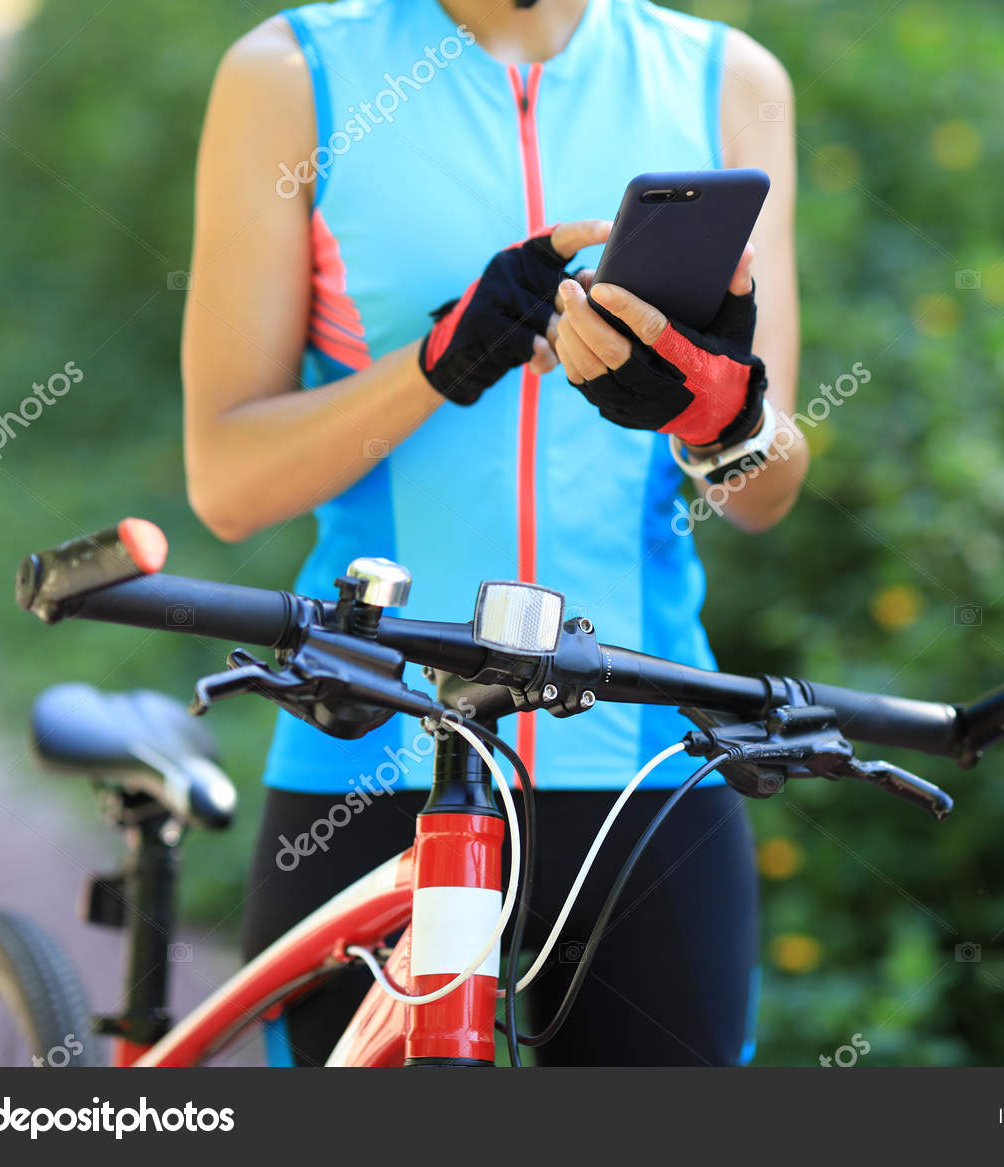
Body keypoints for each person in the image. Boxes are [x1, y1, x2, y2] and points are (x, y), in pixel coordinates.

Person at [181, 0, 805, 1066]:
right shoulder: (292, 74)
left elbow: (765, 487)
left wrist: (717, 414)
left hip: (645, 761)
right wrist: (437, 366)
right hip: (369, 747)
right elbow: (226, 482)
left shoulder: (727, 80)